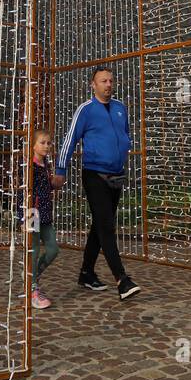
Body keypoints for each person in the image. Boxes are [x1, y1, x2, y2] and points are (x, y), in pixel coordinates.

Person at [58, 65, 141, 301]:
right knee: (106, 226)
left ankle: (86, 273)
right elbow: (70, 139)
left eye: (111, 81)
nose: (108, 85)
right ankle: (122, 280)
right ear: (93, 85)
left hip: (116, 175)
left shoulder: (120, 108)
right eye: (103, 81)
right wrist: (60, 169)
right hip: (94, 174)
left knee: (99, 225)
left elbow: (124, 135)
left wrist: (123, 151)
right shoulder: (86, 110)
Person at [28, 129, 63, 309]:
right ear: (33, 145)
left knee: (53, 249)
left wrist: (53, 183)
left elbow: (44, 186)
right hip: (32, 213)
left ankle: (32, 275)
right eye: (42, 142)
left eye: (49, 143)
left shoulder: (46, 164)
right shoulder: (29, 166)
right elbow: (24, 191)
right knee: (33, 251)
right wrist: (22, 216)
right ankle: (33, 288)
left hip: (46, 213)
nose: (47, 146)